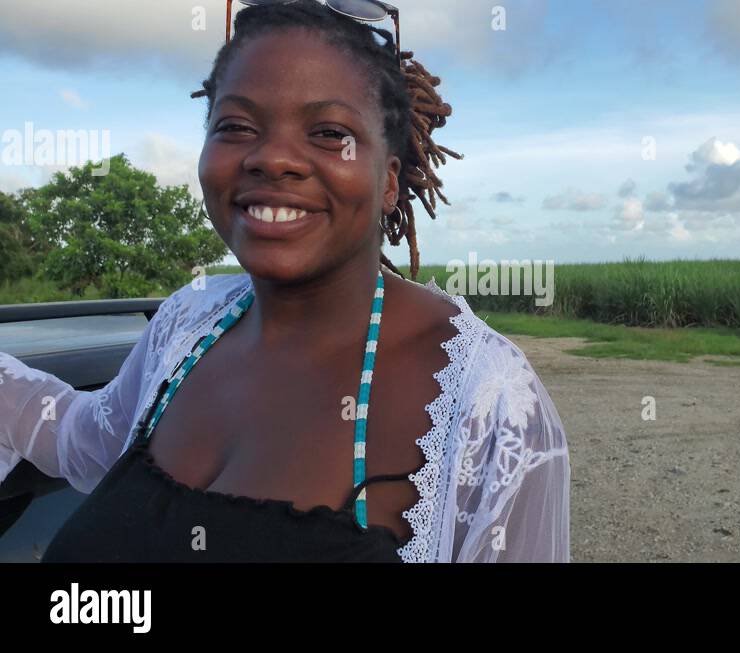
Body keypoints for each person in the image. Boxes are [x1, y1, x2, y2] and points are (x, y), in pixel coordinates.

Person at [0, 0, 570, 563]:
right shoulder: (188, 323)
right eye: (237, 125)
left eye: (327, 132)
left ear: (390, 181)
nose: (272, 159)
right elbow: (90, 439)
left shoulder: (487, 402)